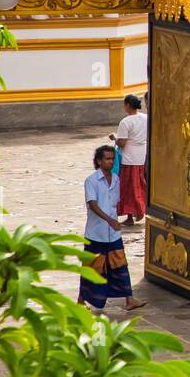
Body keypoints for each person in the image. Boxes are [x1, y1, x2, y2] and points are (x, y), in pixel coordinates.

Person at [78, 144, 145, 312]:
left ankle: (129, 299)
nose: (110, 162)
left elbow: (114, 203)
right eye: (107, 159)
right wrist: (109, 220)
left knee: (120, 265)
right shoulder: (91, 181)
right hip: (96, 233)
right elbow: (92, 204)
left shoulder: (115, 179)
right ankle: (81, 300)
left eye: (112, 159)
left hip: (112, 234)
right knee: (92, 267)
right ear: (99, 161)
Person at [110, 94, 148, 225]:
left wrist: (114, 138)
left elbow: (122, 143)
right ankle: (137, 210)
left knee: (128, 187)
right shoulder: (145, 118)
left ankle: (135, 212)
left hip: (129, 157)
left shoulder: (125, 122)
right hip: (142, 154)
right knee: (139, 184)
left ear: (127, 105)